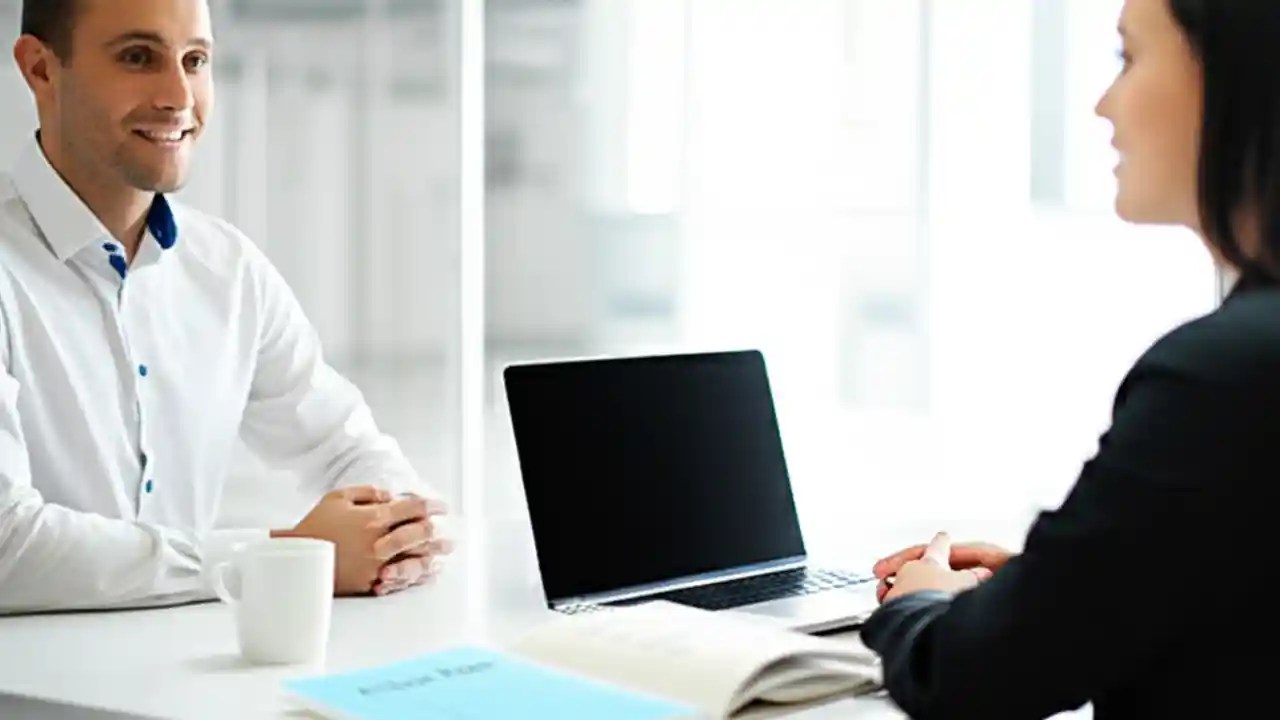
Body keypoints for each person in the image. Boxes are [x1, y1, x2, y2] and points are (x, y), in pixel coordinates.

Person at [861, 0, 1280, 717]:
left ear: (1240, 73)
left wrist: (921, 604)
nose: (1101, 105)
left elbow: (969, 678)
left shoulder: (1225, 373)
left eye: (1128, 58)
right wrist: (1055, 591)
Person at [0, 0, 453, 614]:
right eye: (138, 57)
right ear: (41, 70)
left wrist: (402, 530)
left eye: (196, 60)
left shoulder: (227, 269)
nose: (178, 95)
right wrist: (282, 555)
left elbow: (342, 444)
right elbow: (8, 548)